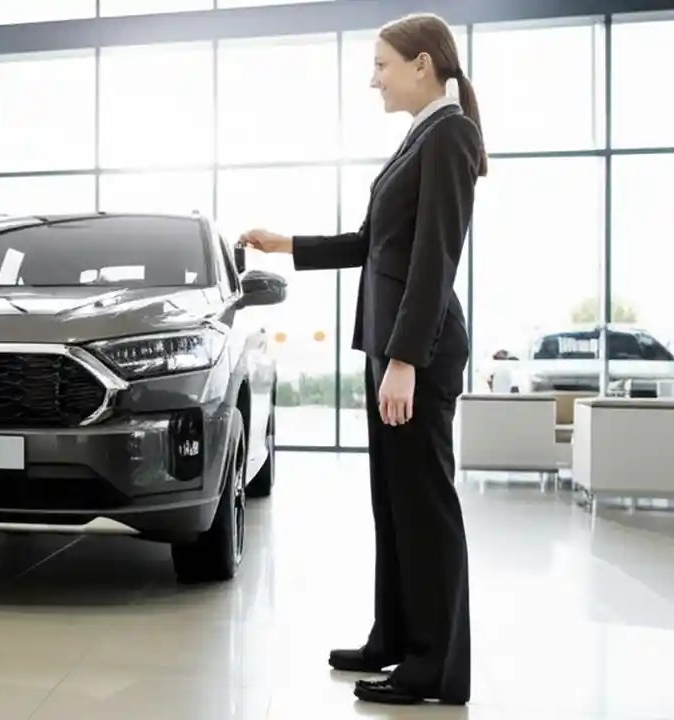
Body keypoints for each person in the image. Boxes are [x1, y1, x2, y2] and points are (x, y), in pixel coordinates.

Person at [240, 13, 484, 707]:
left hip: (417, 353)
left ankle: (434, 666)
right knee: (393, 503)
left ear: (423, 64)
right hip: (391, 349)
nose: (373, 78)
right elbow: (370, 243)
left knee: (424, 507)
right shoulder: (422, 135)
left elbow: (436, 258)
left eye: (381, 64)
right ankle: (395, 639)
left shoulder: (450, 133)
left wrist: (406, 358)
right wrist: (286, 243)